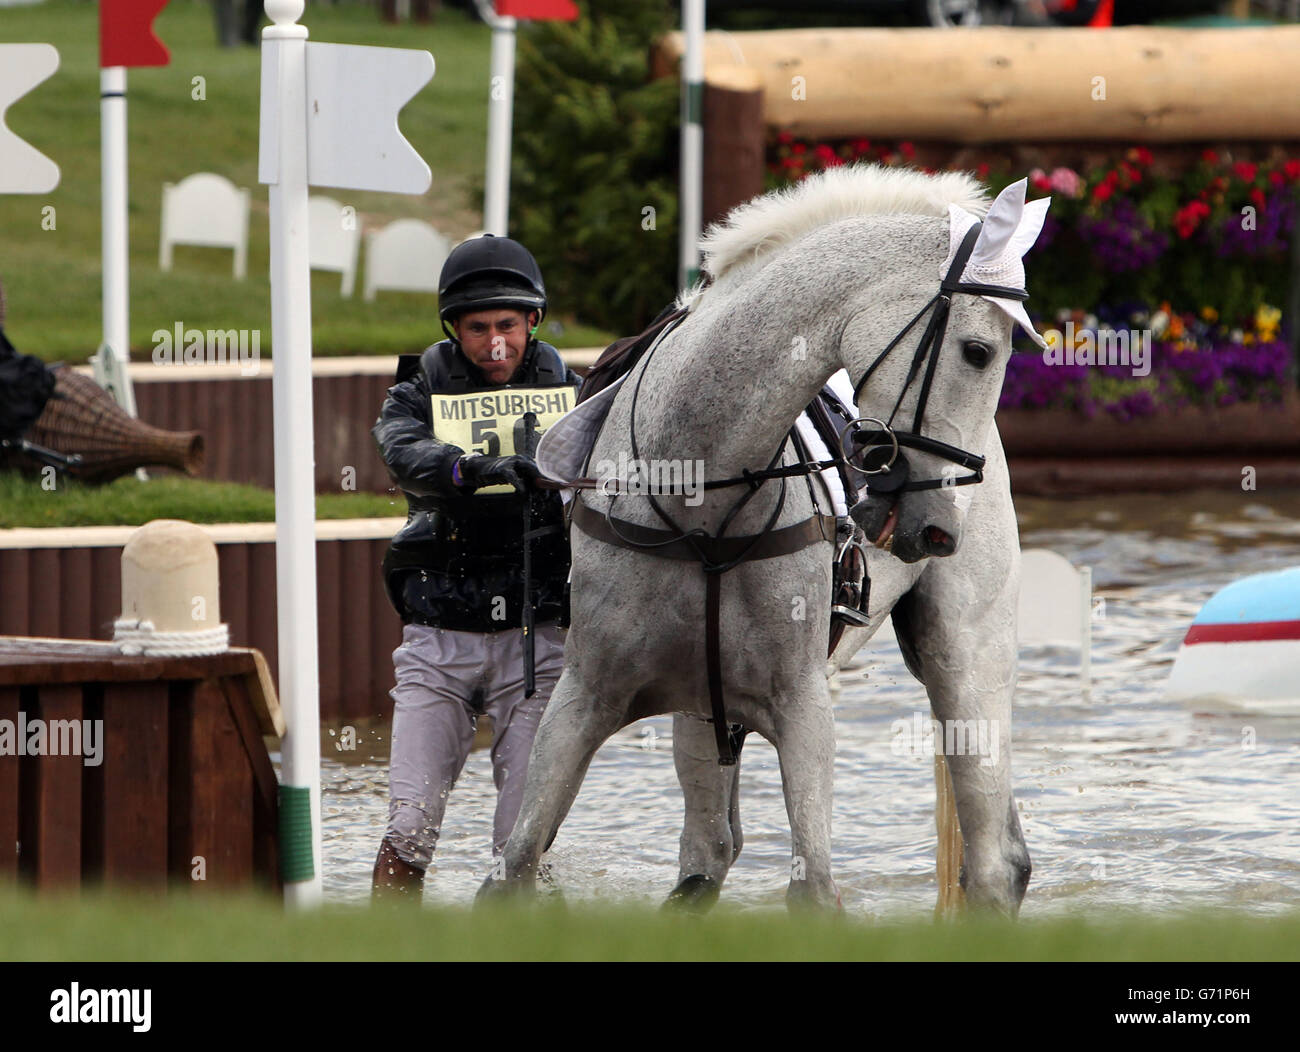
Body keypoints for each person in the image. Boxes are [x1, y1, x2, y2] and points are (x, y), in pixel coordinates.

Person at [371, 234, 582, 900]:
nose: (495, 344)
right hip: (439, 632)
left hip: (540, 640)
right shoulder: (415, 389)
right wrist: (471, 468)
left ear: (533, 323)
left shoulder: (576, 392)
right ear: (454, 330)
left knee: (523, 838)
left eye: (508, 327)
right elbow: (400, 449)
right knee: (409, 825)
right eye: (478, 329)